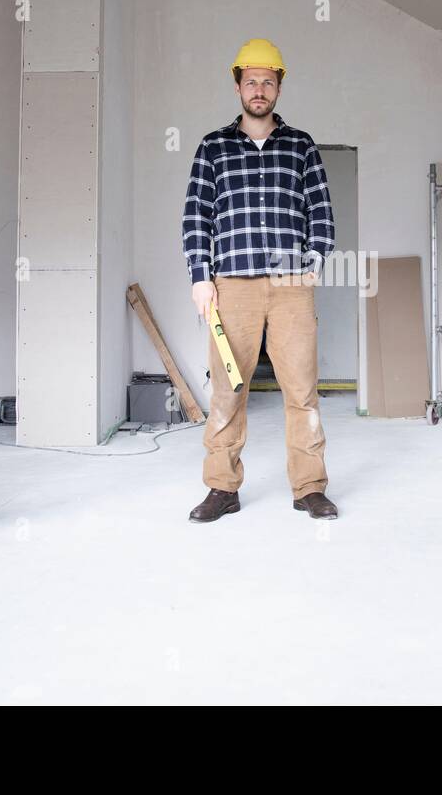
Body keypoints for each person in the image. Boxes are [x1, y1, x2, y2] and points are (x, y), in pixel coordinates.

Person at [181, 38, 338, 523]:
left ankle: (309, 487)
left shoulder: (301, 145)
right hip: (232, 286)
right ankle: (222, 488)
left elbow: (322, 211)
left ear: (279, 87)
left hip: (291, 285)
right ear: (237, 85)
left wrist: (315, 258)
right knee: (228, 389)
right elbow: (196, 216)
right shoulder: (213, 146)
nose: (259, 89)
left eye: (268, 82)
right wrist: (200, 277)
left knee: (302, 389)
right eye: (251, 81)